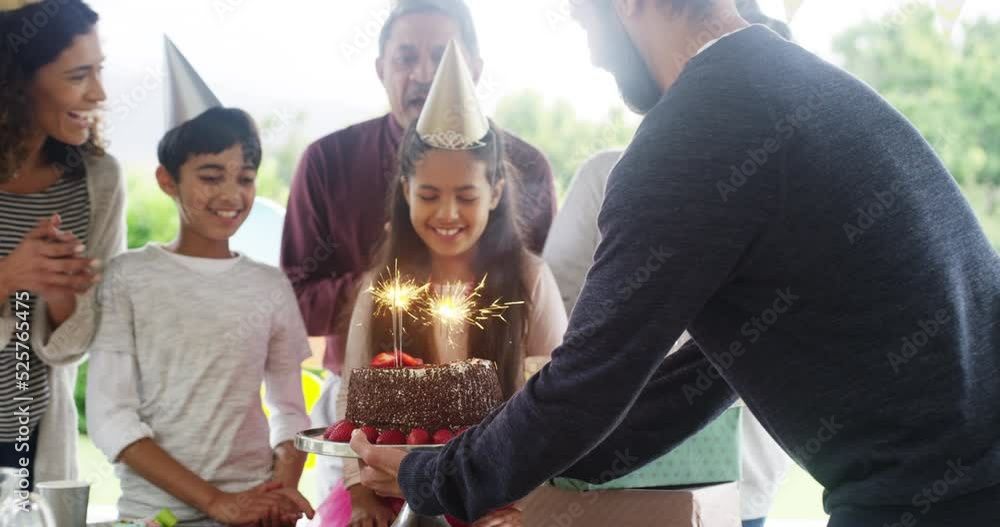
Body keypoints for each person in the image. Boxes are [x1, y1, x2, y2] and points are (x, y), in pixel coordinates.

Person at [349, 1, 1000, 526]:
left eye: (585, 20)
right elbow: (696, 376)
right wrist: (490, 460)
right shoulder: (787, 81)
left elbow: (582, 387)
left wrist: (427, 476)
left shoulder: (692, 134)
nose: (595, 55)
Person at [281, 0, 558, 500]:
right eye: (406, 57)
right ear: (404, 189)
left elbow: (547, 377)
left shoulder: (528, 194)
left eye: (467, 196)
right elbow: (299, 304)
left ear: (495, 192)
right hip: (377, 462)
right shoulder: (328, 162)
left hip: (499, 473)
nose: (423, 73)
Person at [87, 108, 315, 525]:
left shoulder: (269, 286)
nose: (231, 194)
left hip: (255, 510)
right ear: (167, 180)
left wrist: (281, 490)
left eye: (244, 178)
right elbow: (109, 416)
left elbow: (289, 410)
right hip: (156, 516)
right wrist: (216, 502)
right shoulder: (129, 277)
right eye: (211, 177)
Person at [544, 150, 790, 527]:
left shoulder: (775, 183)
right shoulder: (605, 174)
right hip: (632, 469)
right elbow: (558, 299)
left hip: (734, 464)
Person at [0, 0, 124, 488]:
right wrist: (10, 276)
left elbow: (82, 340)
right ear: (17, 83)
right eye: (78, 75)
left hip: (33, 443)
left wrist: (60, 296)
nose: (99, 93)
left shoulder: (98, 181)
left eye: (100, 70)